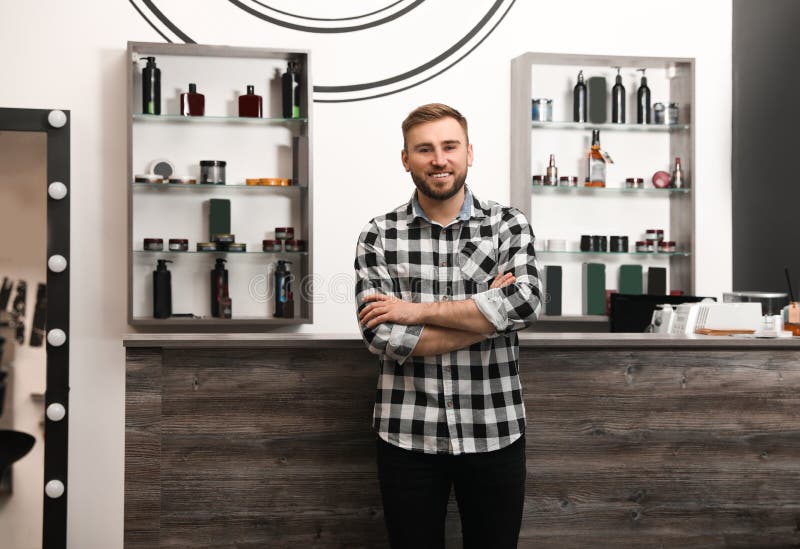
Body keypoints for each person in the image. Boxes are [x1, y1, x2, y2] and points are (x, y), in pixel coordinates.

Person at [353, 103, 542, 549]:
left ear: (469, 153)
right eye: (424, 149)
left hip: (494, 428)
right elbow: (382, 335)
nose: (439, 159)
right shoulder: (378, 235)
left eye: (450, 146)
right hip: (407, 435)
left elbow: (524, 303)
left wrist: (415, 311)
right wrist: (489, 318)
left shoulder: (507, 225)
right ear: (406, 159)